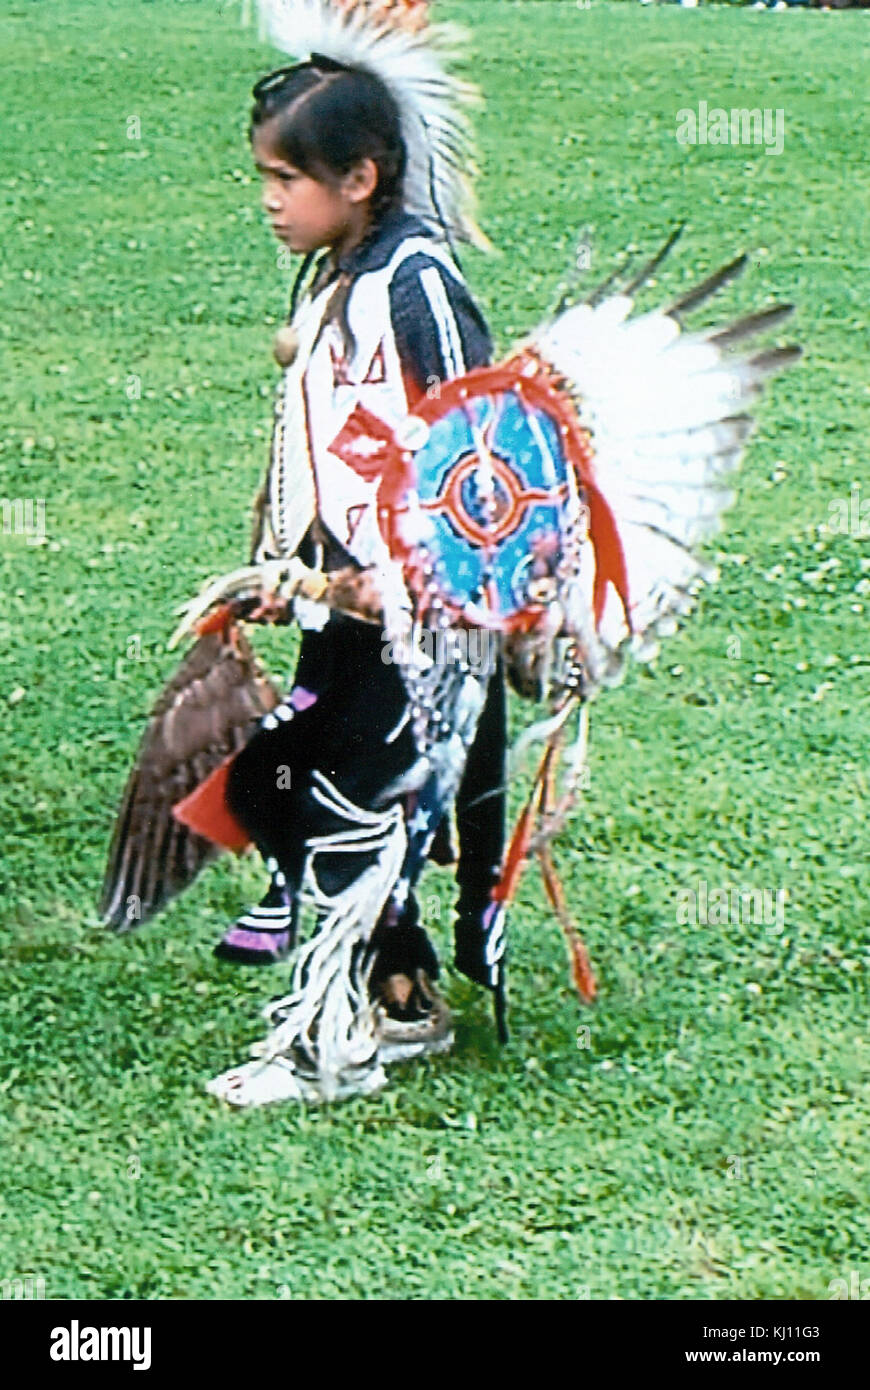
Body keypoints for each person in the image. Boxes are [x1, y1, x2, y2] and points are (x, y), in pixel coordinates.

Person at [206, 53, 507, 1105]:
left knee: (344, 805)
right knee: (296, 786)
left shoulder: (415, 285)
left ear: (362, 177)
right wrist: (289, 566)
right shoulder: (348, 273)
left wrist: (421, 587)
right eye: (266, 178)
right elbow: (335, 442)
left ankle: (335, 1045)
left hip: (416, 616)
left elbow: (479, 458)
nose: (270, 202)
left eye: (286, 179)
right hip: (345, 601)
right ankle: (402, 996)